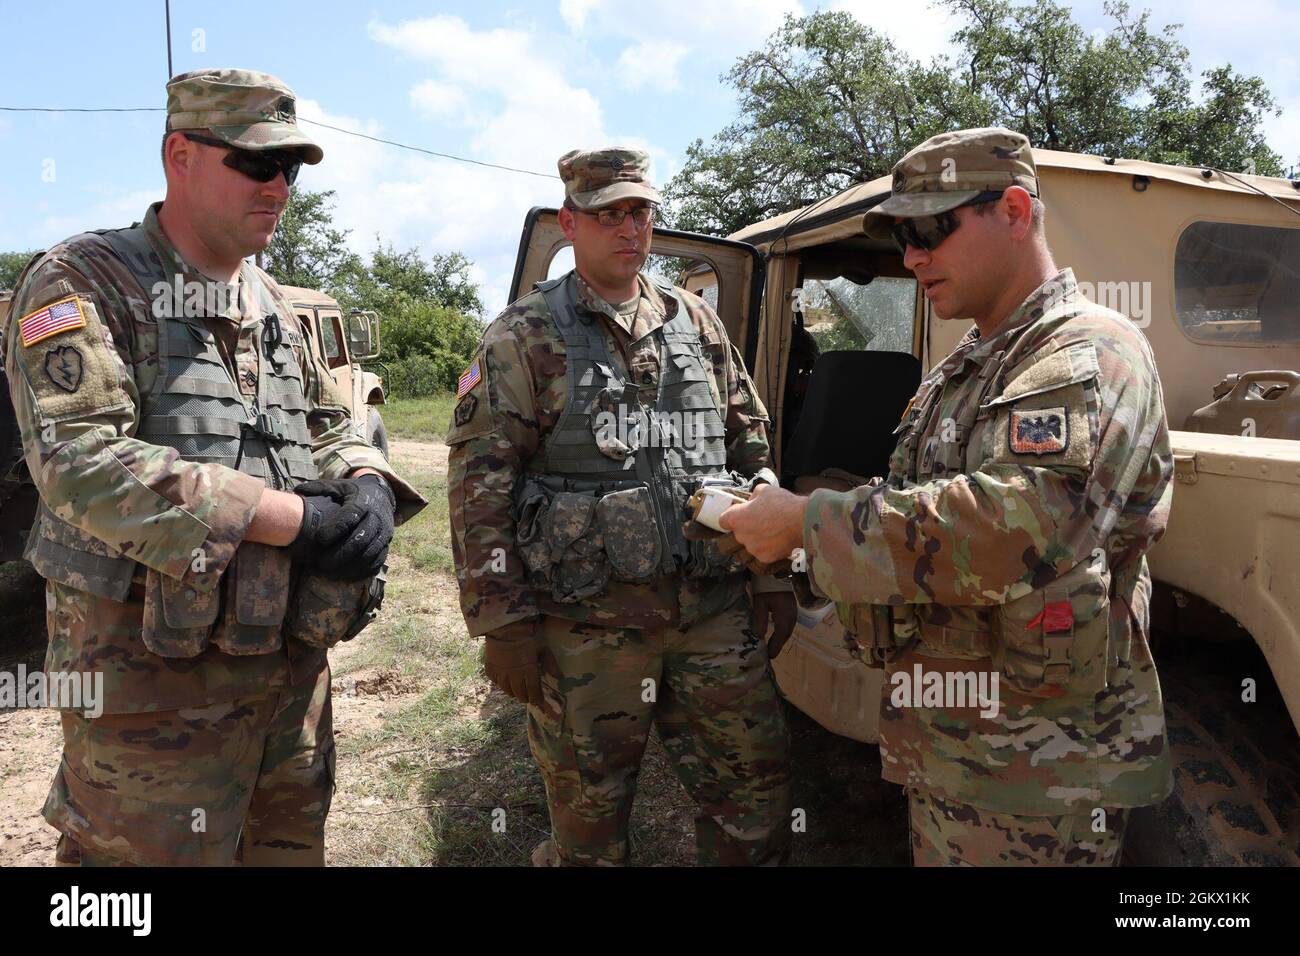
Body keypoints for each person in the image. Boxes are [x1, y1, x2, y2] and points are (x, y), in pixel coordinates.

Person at [3, 67, 425, 866]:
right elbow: (80, 460)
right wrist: (295, 519)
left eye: (290, 170)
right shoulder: (86, 282)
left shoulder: (273, 304)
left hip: (288, 675)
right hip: (146, 693)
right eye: (257, 164)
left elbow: (335, 422)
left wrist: (368, 485)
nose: (280, 187)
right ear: (180, 155)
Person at [718, 128, 1173, 866]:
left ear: (1017, 211)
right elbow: (928, 498)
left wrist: (808, 522)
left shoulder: (1088, 350)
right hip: (960, 747)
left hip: (1039, 776)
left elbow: (1020, 526)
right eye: (903, 236)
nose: (912, 256)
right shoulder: (966, 366)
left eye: (932, 227)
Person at [447, 147, 794, 866]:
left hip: (711, 615)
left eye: (641, 211)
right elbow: (481, 484)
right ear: (570, 223)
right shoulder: (524, 334)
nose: (629, 228)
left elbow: (748, 441)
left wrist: (770, 568)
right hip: (586, 631)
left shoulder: (696, 323)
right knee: (589, 830)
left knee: (755, 807)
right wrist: (501, 619)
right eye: (609, 214)